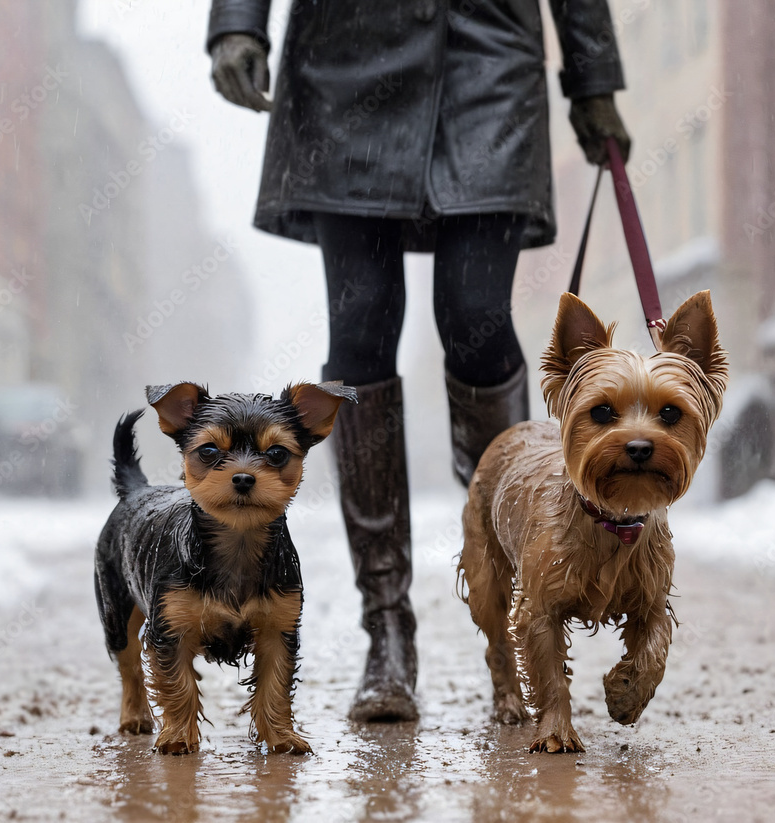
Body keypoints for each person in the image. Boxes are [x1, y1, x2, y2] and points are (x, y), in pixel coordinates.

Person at [207, 0, 631, 723]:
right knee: (362, 327)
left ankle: (515, 595)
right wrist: (238, 23)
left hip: (489, 51)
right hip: (347, 62)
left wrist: (592, 76)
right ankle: (388, 630)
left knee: (475, 318)